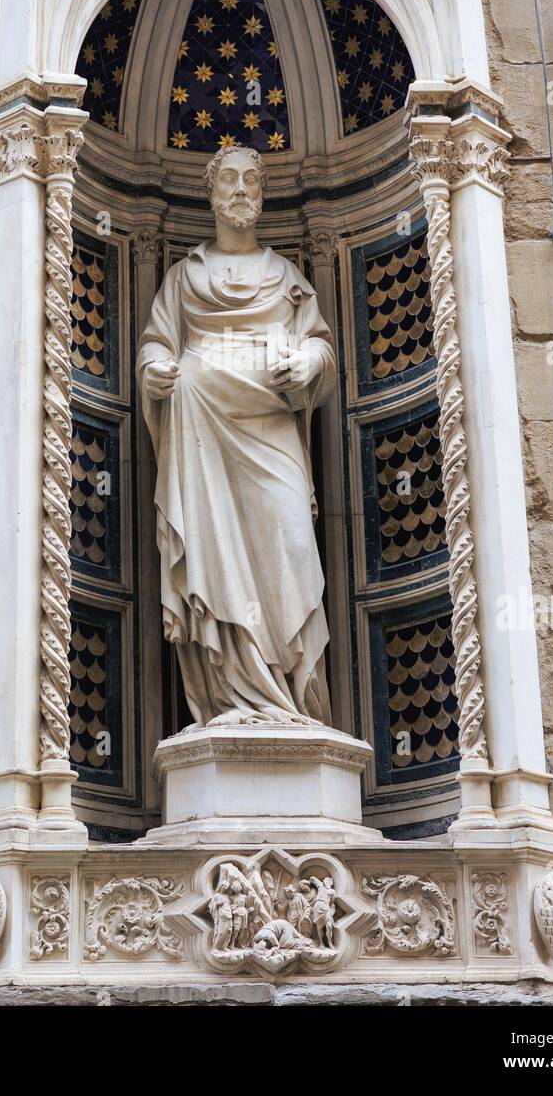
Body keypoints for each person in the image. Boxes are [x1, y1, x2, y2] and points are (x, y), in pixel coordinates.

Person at [137, 144, 335, 728]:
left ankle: (294, 699)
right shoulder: (184, 277)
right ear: (211, 190)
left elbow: (319, 345)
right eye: (228, 178)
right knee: (212, 555)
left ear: (264, 191)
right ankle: (230, 696)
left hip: (269, 429)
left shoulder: (286, 278)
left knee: (293, 548)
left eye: (251, 179)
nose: (241, 189)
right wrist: (154, 368)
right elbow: (157, 342)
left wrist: (309, 365)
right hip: (203, 435)